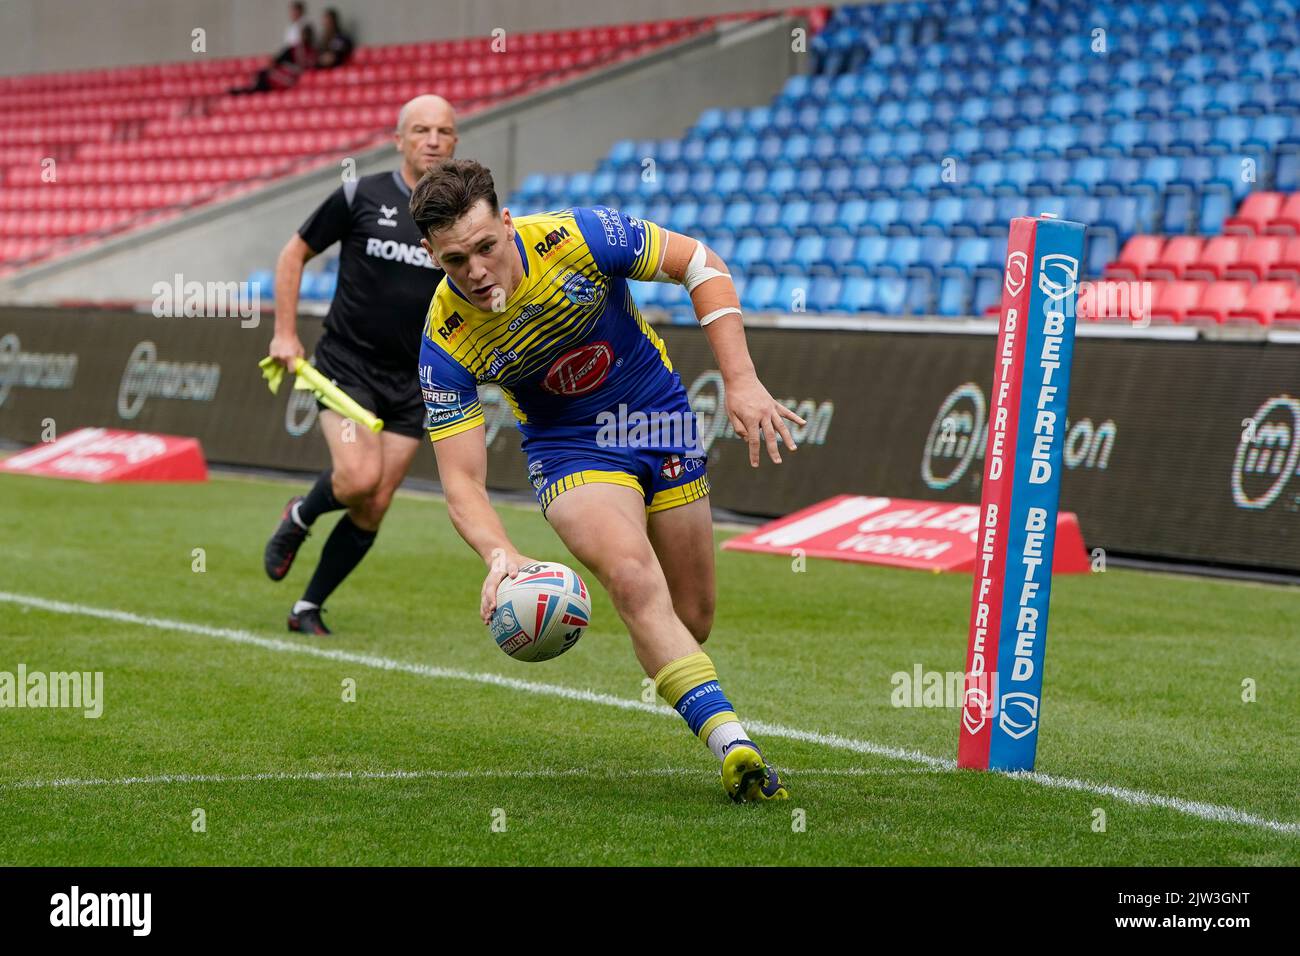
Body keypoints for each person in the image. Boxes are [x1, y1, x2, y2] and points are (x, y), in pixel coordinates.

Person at [410, 159, 805, 803]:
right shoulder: (446, 340)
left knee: (691, 618)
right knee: (630, 574)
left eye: (486, 246)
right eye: (456, 260)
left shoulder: (577, 237)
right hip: (569, 450)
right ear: (432, 257)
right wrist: (498, 552)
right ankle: (736, 748)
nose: (477, 272)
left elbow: (699, 263)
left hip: (659, 419)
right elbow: (462, 484)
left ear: (507, 224)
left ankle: (668, 654)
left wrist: (740, 379)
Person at [262, 96, 460, 635]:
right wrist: (284, 332)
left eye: (444, 131)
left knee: (374, 503)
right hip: (346, 365)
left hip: (415, 379)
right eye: (421, 130)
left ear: (455, 142)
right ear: (400, 139)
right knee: (357, 476)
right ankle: (300, 516)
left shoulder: (464, 215)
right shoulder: (360, 195)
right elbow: (293, 253)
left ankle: (307, 607)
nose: (434, 140)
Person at [231, 23, 315, 95]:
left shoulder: (299, 50)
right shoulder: (302, 50)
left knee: (263, 77)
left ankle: (246, 91)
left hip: (287, 78)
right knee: (262, 77)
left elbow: (276, 60)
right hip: (287, 77)